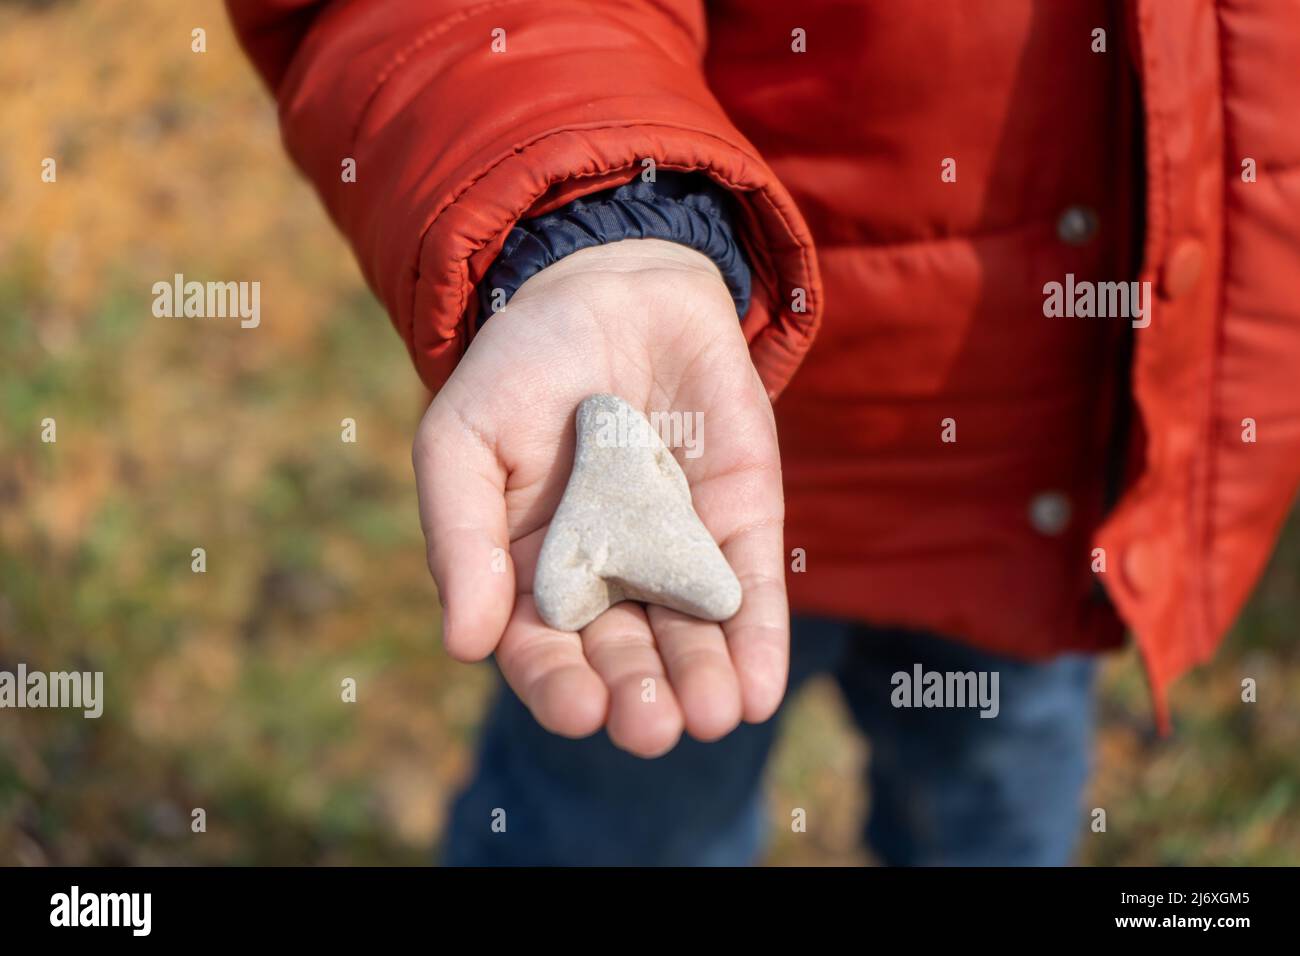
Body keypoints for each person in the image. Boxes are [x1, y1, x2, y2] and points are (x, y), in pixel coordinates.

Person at [226, 0, 1300, 865]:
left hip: (1058, 518)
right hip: (762, 447)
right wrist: (591, 220)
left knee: (993, 812)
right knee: (614, 826)